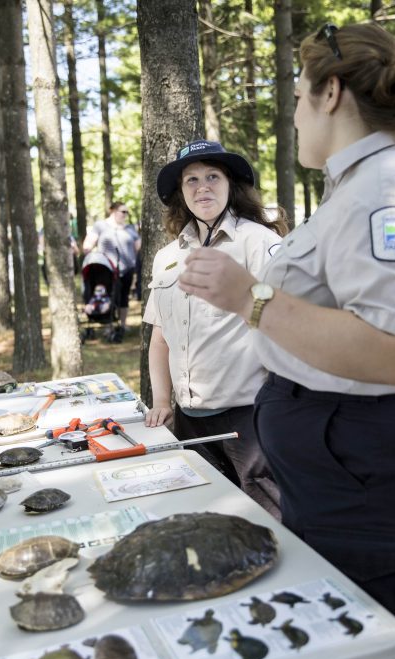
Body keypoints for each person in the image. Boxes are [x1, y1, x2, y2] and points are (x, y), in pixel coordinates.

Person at [178, 24, 395, 659]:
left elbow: (391, 349)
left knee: (371, 650)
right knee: (348, 638)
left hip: (367, 455)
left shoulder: (384, 193)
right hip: (348, 451)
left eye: (297, 98)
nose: (293, 116)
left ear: (331, 92)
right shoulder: (363, 185)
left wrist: (248, 297)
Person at [144, 140, 286, 519]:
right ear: (181, 192)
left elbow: (282, 316)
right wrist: (162, 402)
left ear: (230, 185)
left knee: (270, 521)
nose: (202, 187)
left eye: (212, 177)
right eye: (191, 180)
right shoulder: (167, 257)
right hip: (189, 420)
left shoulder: (258, 242)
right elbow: (160, 338)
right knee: (204, 519)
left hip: (249, 418)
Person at [83, 202, 140, 341]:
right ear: (113, 211)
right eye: (123, 212)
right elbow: (88, 243)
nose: (125, 215)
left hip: (128, 267)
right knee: (110, 294)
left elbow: (137, 245)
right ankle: (108, 325)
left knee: (124, 296)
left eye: (127, 212)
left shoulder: (129, 228)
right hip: (107, 269)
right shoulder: (101, 226)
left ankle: (123, 324)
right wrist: (88, 252)